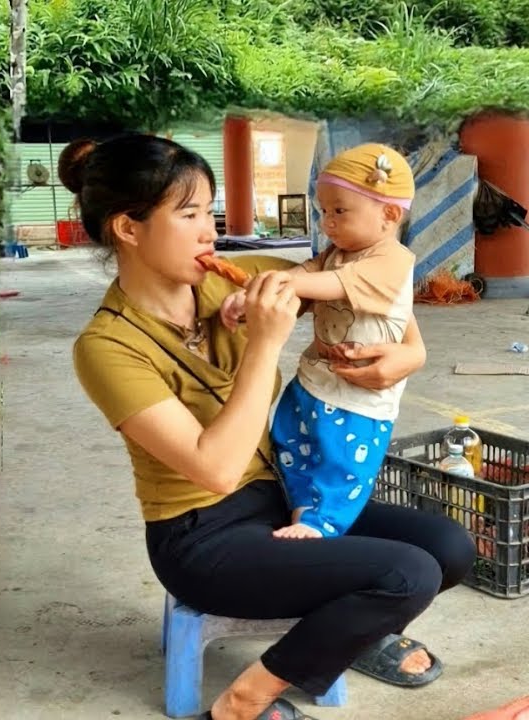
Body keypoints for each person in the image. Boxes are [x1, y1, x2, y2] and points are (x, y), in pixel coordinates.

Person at [63, 133, 475, 720]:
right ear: (128, 228)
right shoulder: (108, 347)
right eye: (189, 215)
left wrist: (412, 354)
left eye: (209, 212)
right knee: (407, 575)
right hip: (202, 536)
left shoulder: (236, 277)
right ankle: (242, 701)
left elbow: (371, 285)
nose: (209, 232)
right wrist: (264, 344)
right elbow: (214, 467)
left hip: (282, 495)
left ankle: (346, 633)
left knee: (449, 548)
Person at [218, 143, 417, 539]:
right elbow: (307, 278)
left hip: (357, 397)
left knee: (342, 463)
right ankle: (302, 510)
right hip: (314, 380)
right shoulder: (336, 252)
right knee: (288, 440)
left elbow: (332, 284)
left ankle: (321, 524)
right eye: (323, 211)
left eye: (339, 211)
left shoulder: (393, 260)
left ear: (389, 215)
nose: (327, 222)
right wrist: (251, 298)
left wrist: (278, 283)